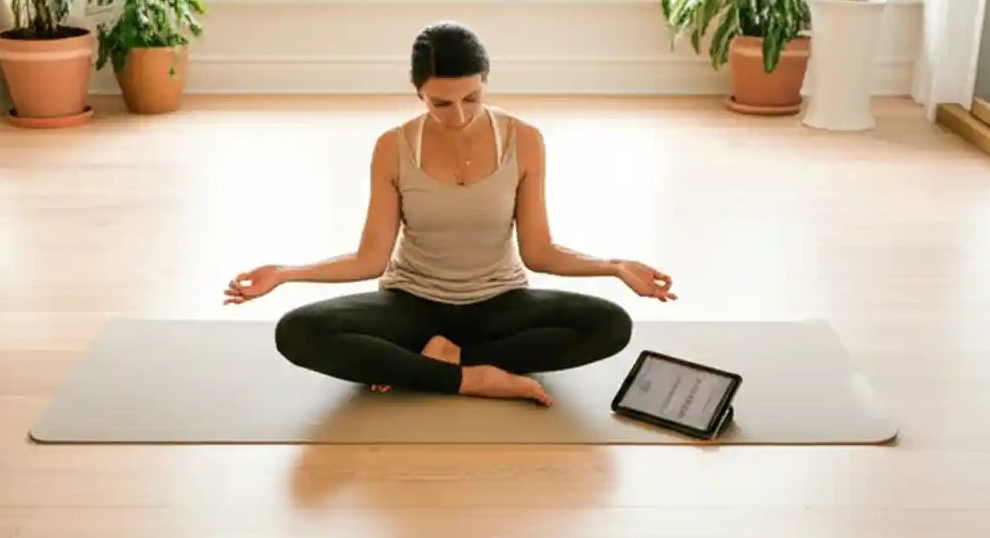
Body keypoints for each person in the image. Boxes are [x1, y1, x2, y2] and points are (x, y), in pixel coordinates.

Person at [223, 21, 676, 407]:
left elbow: (538, 252)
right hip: (411, 302)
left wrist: (614, 267)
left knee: (610, 325)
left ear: (486, 80)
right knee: (298, 332)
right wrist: (284, 273)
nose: (459, 115)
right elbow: (370, 260)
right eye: (441, 103)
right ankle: (475, 377)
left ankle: (435, 363)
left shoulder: (525, 140)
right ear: (418, 91)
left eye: (471, 98)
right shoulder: (392, 147)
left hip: (498, 303)